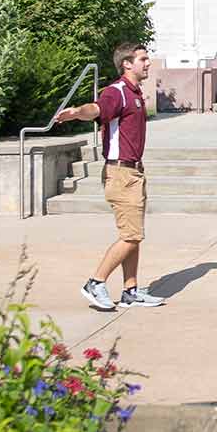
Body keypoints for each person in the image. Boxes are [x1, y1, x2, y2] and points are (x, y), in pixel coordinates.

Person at [55, 42, 164, 311]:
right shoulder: (117, 92)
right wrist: (76, 113)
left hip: (134, 171)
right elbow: (96, 108)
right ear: (127, 64)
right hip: (121, 173)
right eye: (143, 59)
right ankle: (95, 281)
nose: (148, 63)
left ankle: (131, 291)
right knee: (131, 236)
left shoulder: (135, 92)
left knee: (133, 236)